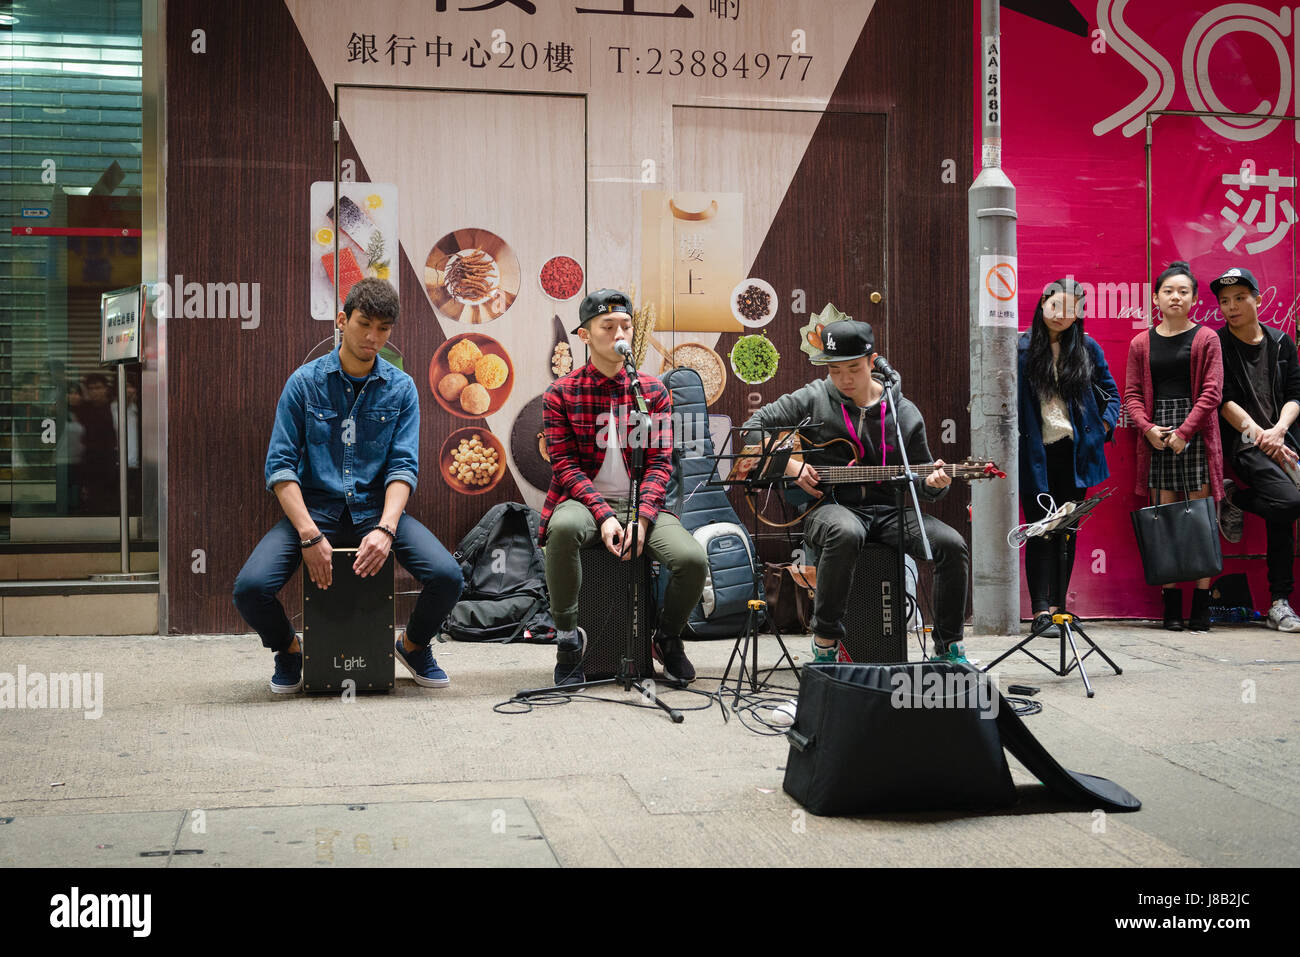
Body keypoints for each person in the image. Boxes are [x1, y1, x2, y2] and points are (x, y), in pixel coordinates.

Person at [232, 278, 463, 693]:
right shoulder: (304, 383)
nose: (373, 338)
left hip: (376, 510)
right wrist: (308, 534)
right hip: (315, 509)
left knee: (447, 576)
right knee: (250, 588)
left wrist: (387, 528)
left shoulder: (401, 388)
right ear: (342, 320)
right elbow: (280, 468)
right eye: (364, 324)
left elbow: (403, 467)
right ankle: (289, 651)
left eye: (384, 329)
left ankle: (412, 646)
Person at [739, 316, 971, 664]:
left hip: (889, 511)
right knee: (844, 531)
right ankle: (826, 642)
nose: (844, 379)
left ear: (871, 361)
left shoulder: (902, 412)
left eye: (853, 369)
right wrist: (789, 465)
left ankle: (949, 647)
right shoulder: (813, 397)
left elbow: (922, 482)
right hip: (828, 509)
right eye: (834, 370)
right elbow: (752, 427)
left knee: (952, 544)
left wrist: (936, 483)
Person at [539, 288, 708, 687]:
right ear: (585, 335)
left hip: (640, 504)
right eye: (608, 326)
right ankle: (567, 638)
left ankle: (666, 638)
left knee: (692, 560)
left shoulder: (651, 393)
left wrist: (644, 519)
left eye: (626, 326)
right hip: (582, 501)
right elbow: (563, 464)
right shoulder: (561, 394)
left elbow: (660, 463)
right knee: (562, 531)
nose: (619, 334)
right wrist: (602, 515)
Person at [1123, 261, 1224, 631]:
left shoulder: (1207, 338)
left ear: (1195, 298)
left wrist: (1184, 432)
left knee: (1200, 518)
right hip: (1157, 434)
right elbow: (1132, 395)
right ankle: (1171, 606)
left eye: (1183, 291)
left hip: (1195, 432)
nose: (1175, 297)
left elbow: (1212, 392)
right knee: (1163, 519)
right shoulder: (1140, 342)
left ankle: (1200, 605)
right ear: (1156, 297)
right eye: (1168, 291)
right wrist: (1148, 429)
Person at [1018, 279, 1120, 628]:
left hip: (1075, 453)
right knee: (1039, 529)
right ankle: (1040, 610)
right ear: (1043, 304)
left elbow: (1112, 393)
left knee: (1067, 529)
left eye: (1071, 309)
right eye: (1056, 306)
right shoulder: (1021, 348)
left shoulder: (1087, 348)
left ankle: (1060, 607)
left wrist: (1103, 427)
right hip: (1037, 454)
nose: (1062, 315)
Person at [1212, 267, 1300, 632]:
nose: (1231, 307)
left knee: (1283, 509)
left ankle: (1279, 602)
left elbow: (1296, 395)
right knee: (1291, 502)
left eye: (1239, 298)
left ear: (1257, 299)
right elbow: (1223, 400)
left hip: (1287, 439)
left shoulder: (1281, 342)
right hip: (1245, 444)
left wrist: (1279, 431)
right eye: (1224, 302)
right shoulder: (1217, 344)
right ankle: (1235, 499)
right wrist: (1261, 434)